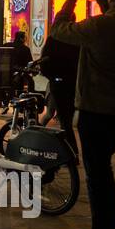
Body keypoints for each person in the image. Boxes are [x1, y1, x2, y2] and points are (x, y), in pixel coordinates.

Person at [51, 0, 115, 229]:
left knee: (98, 173)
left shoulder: (100, 26)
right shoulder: (111, 22)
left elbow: (59, 28)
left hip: (97, 108)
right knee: (103, 169)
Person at [39, 29, 79, 160]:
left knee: (61, 119)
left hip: (58, 84)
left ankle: (70, 153)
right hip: (73, 85)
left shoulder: (54, 39)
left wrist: (53, 77)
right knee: (64, 119)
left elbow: (44, 63)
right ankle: (70, 152)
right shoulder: (77, 39)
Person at [9, 30, 33, 94]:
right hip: (21, 72)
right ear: (21, 39)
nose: (25, 39)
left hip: (8, 72)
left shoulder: (9, 46)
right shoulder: (25, 49)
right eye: (25, 37)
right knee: (31, 81)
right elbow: (30, 62)